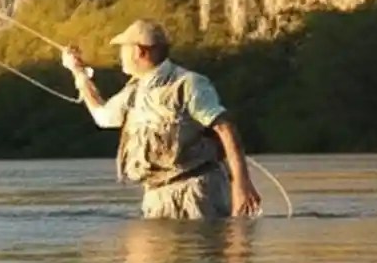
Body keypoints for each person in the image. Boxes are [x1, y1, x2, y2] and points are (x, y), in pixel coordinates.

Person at [61, 20, 262, 220]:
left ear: (139, 51)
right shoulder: (133, 91)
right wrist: (78, 73)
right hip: (155, 196)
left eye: (124, 49)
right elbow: (102, 116)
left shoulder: (189, 83)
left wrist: (241, 185)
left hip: (198, 192)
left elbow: (226, 128)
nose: (120, 55)